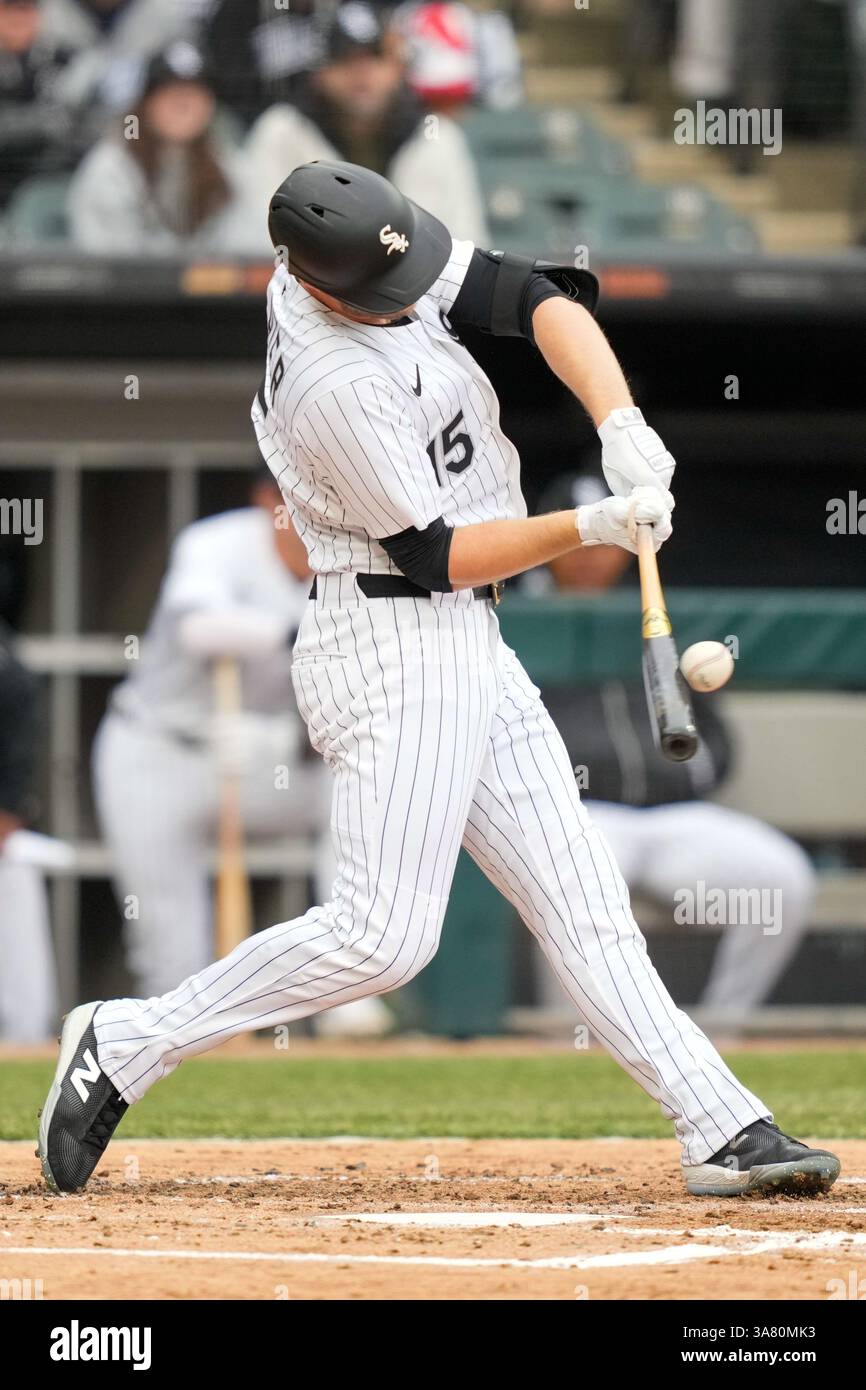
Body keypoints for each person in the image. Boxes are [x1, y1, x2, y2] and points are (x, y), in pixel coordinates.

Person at [39, 158, 841, 1202]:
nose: (409, 293)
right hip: (390, 639)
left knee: (582, 898)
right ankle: (126, 1039)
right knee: (383, 938)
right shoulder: (331, 378)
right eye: (381, 289)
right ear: (313, 282)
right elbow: (433, 551)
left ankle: (719, 1125)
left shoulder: (375, 252)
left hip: (467, 640)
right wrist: (587, 524)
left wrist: (617, 423)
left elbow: (533, 298)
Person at [91, 468, 389, 1035]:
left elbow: (366, 701)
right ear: (267, 500)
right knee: (173, 962)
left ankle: (351, 984)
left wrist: (281, 740)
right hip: (156, 752)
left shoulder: (358, 561)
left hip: (269, 756)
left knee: (358, 790)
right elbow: (200, 632)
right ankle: (178, 1062)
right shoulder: (217, 542)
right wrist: (297, 631)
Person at [529, 470, 814, 1031]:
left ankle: (719, 1039)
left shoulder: (659, 616)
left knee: (782, 879)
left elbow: (717, 743)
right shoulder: (517, 619)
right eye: (580, 542)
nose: (590, 558)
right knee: (575, 887)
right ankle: (572, 1047)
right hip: (582, 816)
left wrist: (690, 764)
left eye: (604, 545)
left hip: (674, 819)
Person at [244, 2, 490, 245]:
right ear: (320, 72)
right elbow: (261, 239)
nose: (362, 73)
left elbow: (468, 242)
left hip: (418, 281)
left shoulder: (435, 134)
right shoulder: (283, 131)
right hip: (308, 281)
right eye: (345, 59)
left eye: (375, 58)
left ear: (397, 67)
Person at [67, 39, 265, 256]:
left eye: (195, 93)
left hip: (212, 289)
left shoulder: (229, 167)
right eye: (171, 92)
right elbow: (108, 266)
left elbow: (248, 254)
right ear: (146, 102)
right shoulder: (112, 168)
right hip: (131, 289)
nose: (183, 104)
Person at [0, 627, 60, 1042]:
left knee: (15, 868)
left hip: (6, 841)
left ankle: (26, 1046)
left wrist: (8, 809)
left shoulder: (8, 670)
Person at [0, 0, 78, 211]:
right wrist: (44, 123)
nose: (17, 19)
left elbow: (78, 123)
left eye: (25, 10)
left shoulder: (66, 58)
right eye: (9, 10)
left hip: (51, 173)